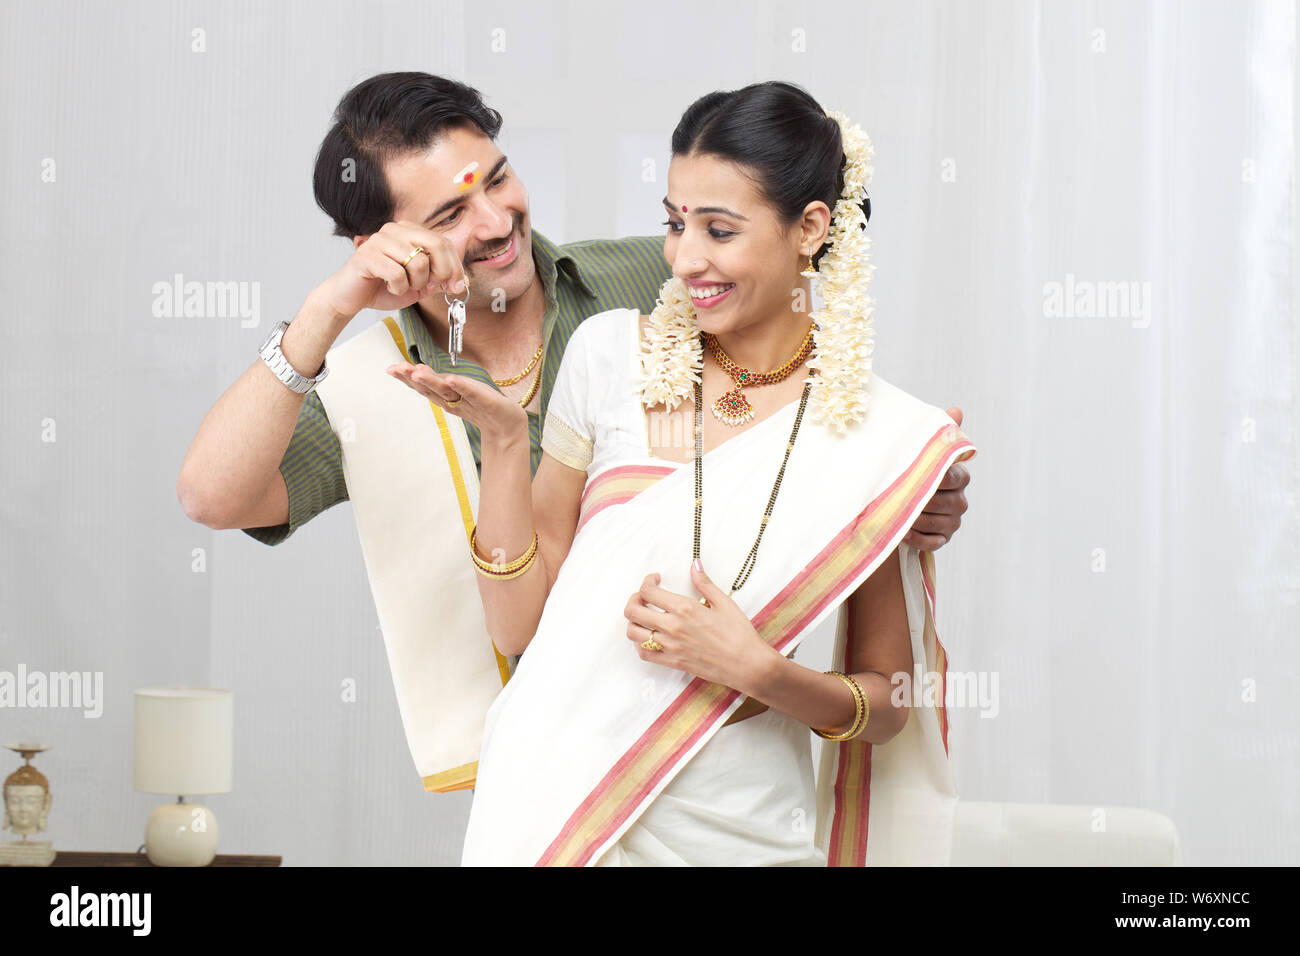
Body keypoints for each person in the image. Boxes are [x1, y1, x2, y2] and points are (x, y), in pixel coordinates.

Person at [176, 71, 973, 797]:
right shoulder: (368, 388)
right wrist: (330, 309)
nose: (496, 221)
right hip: (541, 779)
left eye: (497, 180)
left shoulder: (656, 284)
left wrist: (903, 500)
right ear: (382, 245)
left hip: (733, 769)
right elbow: (213, 497)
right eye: (451, 213)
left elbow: (803, 430)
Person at [387, 81, 978, 866]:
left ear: (809, 228)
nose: (684, 257)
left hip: (746, 827)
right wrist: (502, 443)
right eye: (674, 223)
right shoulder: (611, 358)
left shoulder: (871, 434)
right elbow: (517, 627)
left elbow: (885, 701)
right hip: (561, 800)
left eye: (719, 230)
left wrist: (758, 671)